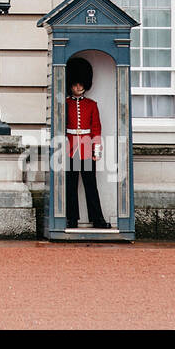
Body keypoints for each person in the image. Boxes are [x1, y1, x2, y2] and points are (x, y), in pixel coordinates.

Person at [64, 57, 110, 229]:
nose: (78, 87)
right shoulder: (66, 104)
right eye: (76, 84)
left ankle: (97, 218)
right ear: (71, 84)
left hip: (87, 149)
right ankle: (71, 218)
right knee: (71, 186)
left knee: (91, 186)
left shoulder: (91, 105)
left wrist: (96, 150)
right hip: (71, 149)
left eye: (81, 84)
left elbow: (96, 128)